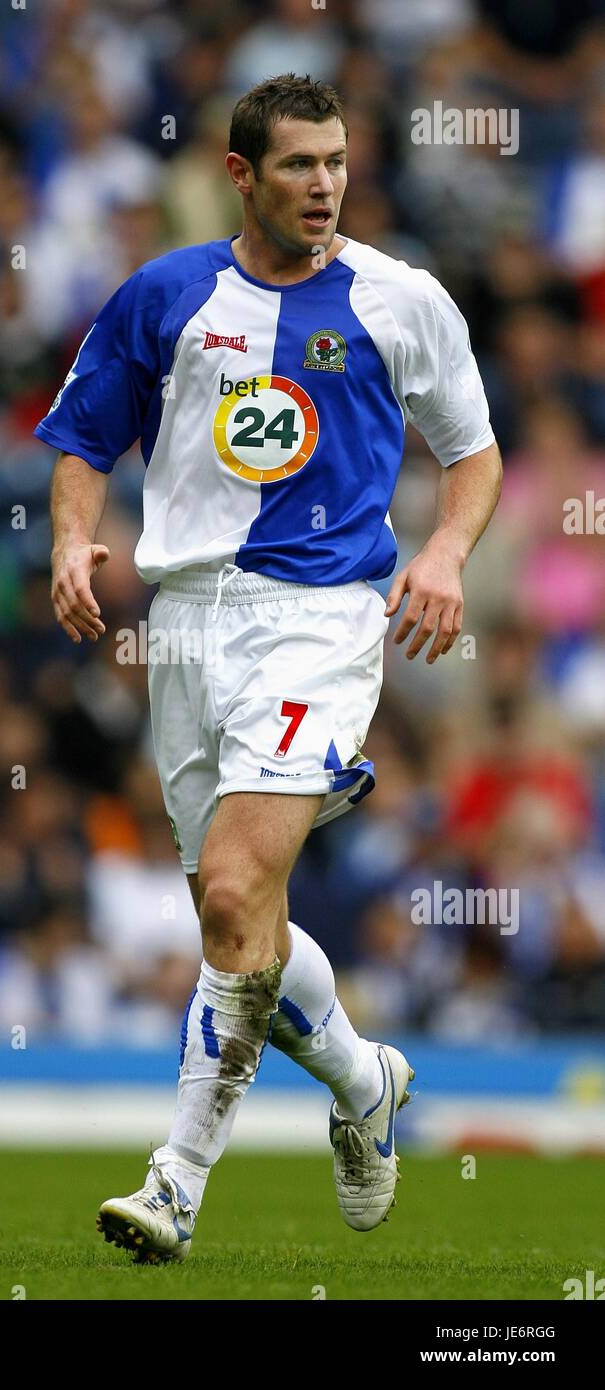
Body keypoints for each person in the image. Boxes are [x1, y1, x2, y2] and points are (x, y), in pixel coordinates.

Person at [35, 74, 502, 1263]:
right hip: (186, 627)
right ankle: (364, 1081)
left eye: (336, 161)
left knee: (237, 893)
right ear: (239, 174)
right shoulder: (166, 295)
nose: (323, 184)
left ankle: (175, 1182)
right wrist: (68, 537)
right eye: (297, 165)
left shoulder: (401, 299)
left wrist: (444, 549)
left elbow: (473, 450)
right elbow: (85, 433)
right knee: (234, 920)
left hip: (323, 619)